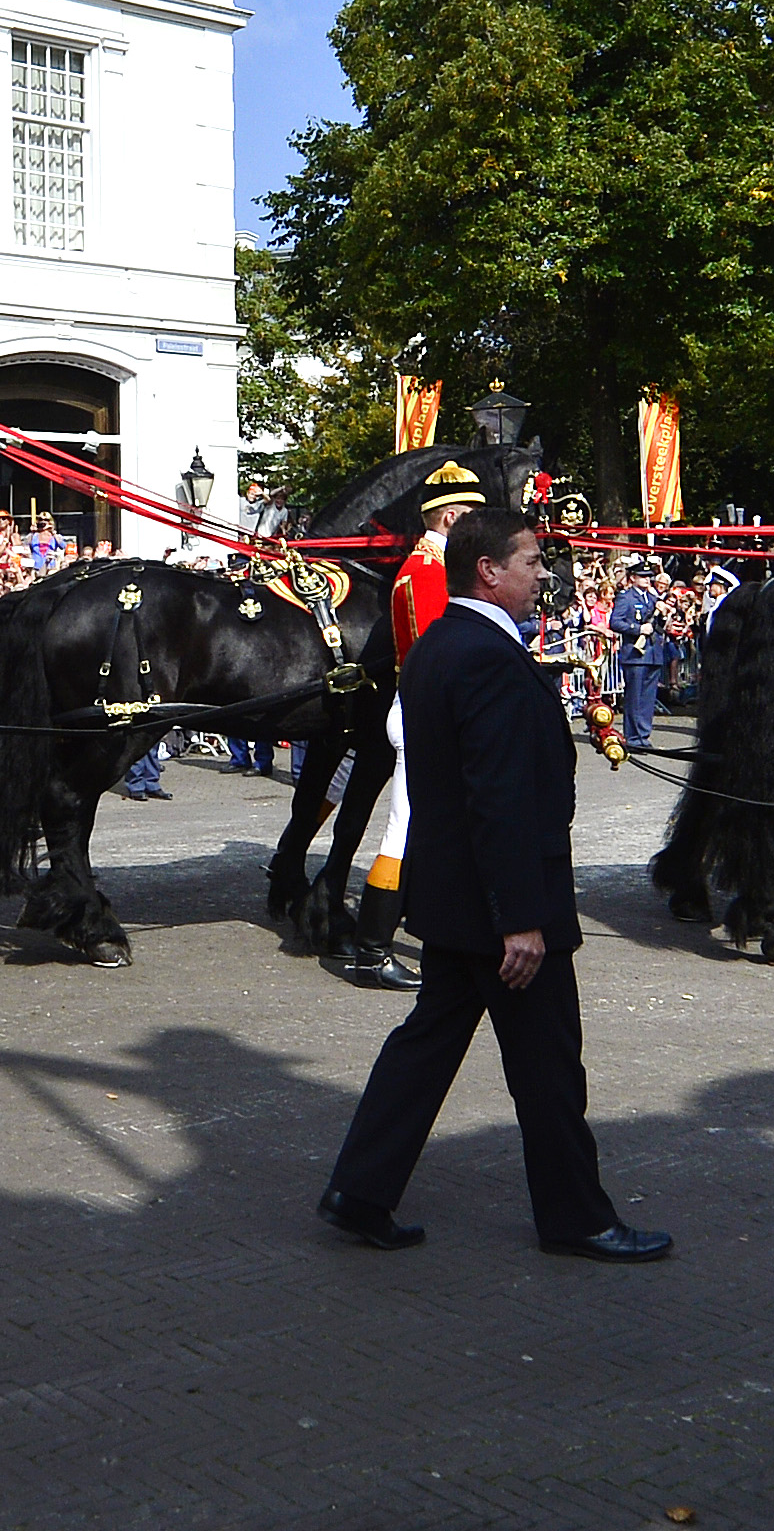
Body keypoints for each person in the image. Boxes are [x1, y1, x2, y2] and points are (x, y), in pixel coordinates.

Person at [319, 500, 666, 1264]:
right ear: (488, 570)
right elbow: (499, 798)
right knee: (547, 1067)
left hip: (451, 899)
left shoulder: (441, 645)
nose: (542, 575)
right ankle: (575, 1218)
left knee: (425, 1048)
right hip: (501, 908)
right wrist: (519, 917)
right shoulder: (486, 657)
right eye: (531, 562)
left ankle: (360, 1188)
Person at [339, 463, 489, 990]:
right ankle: (372, 951)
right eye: (471, 517)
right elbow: (436, 655)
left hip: (428, 712)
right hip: (429, 715)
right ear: (450, 518)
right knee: (402, 832)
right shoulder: (427, 572)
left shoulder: (432, 565)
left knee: (431, 831)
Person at [608, 561, 667, 751]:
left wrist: (663, 615)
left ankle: (643, 736)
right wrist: (638, 629)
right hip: (635, 654)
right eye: (642, 576)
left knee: (648, 699)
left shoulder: (653, 598)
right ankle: (633, 738)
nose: (647, 580)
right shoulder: (626, 597)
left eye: (649, 576)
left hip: (652, 653)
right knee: (634, 698)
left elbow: (658, 626)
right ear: (632, 578)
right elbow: (615, 622)